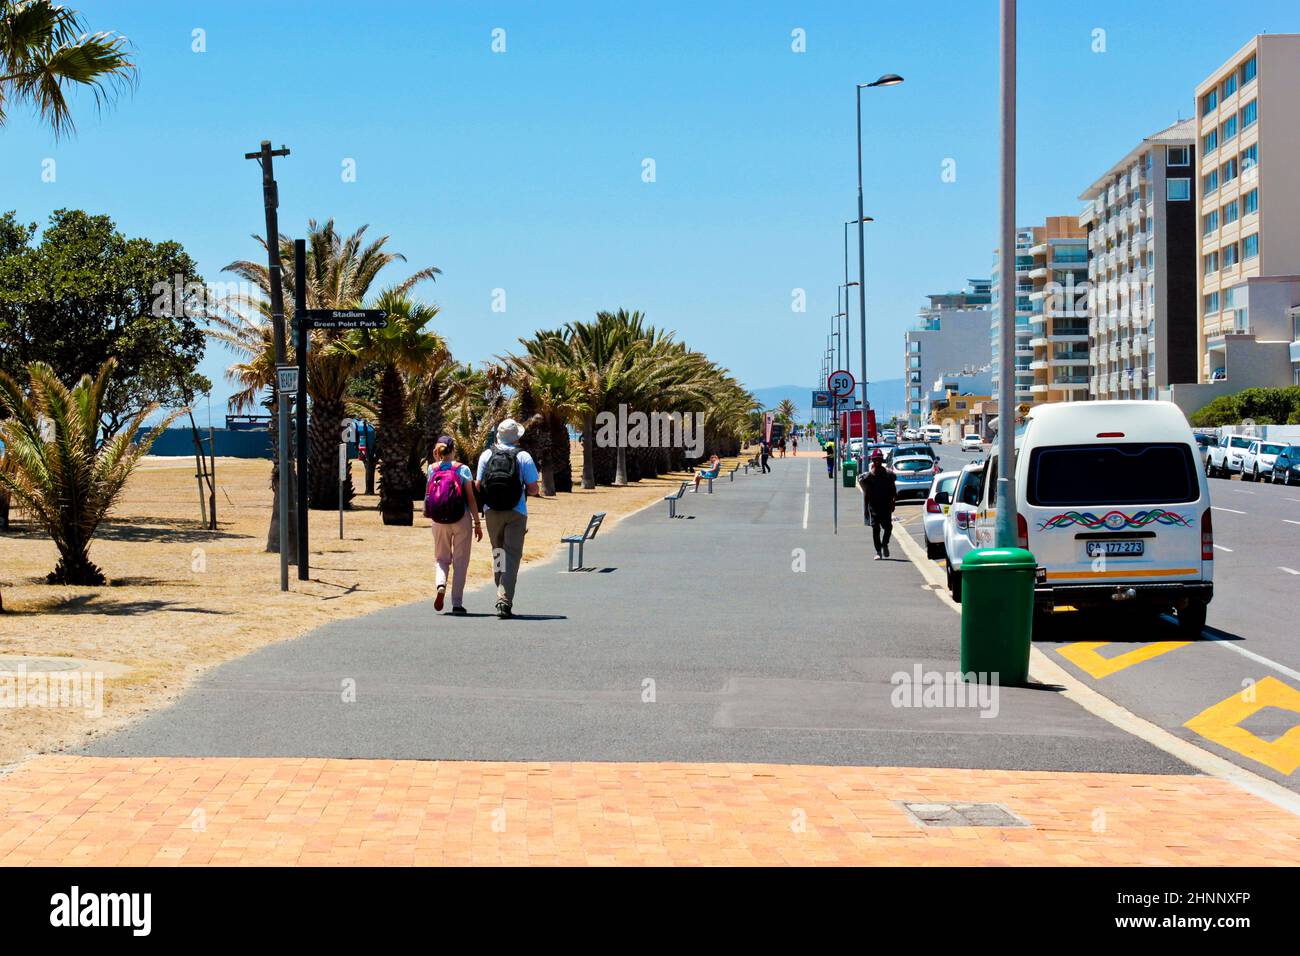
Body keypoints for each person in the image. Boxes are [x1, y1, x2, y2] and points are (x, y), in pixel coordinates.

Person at [476, 418, 540, 619]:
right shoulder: (523, 456)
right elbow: (533, 488)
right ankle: (504, 600)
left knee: (498, 552)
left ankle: (500, 588)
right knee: (512, 555)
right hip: (516, 511)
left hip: (491, 510)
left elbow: (478, 484)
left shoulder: (487, 454)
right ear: (517, 437)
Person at [425, 436, 482, 615]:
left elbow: (429, 494)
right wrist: (477, 522)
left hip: (439, 520)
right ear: (453, 449)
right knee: (460, 561)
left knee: (441, 558)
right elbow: (471, 498)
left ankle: (440, 584)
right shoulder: (462, 469)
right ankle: (457, 603)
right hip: (461, 518)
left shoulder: (432, 468)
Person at [860, 451, 897, 559]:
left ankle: (885, 544)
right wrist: (866, 509)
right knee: (875, 529)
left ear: (882, 460)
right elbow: (867, 493)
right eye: (875, 459)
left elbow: (894, 490)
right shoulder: (869, 477)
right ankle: (878, 551)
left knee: (888, 527)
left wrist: (894, 502)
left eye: (879, 459)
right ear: (872, 460)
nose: (877, 461)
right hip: (874, 507)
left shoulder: (889, 475)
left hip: (886, 506)